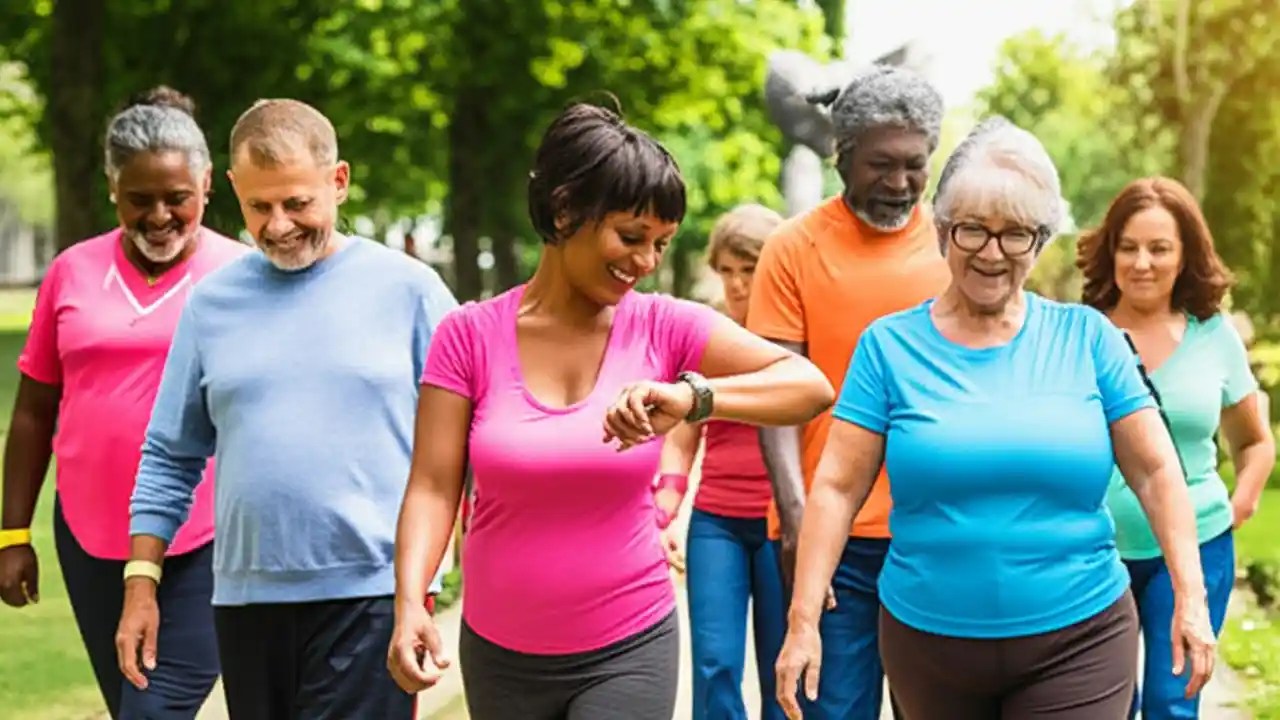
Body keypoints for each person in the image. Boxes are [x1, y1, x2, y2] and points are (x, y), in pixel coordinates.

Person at [385, 102, 834, 720]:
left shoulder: (663, 324)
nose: (646, 261)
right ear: (566, 209)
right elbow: (433, 487)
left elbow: (809, 385)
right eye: (631, 236)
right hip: (499, 651)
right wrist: (412, 601)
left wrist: (693, 398)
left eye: (662, 244)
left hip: (629, 645)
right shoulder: (468, 335)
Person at [775, 117, 1217, 720]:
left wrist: (1189, 597)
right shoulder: (888, 348)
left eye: (1016, 235)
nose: (991, 253)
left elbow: (1157, 472)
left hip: (1079, 637)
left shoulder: (1089, 339)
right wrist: (803, 620)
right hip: (928, 644)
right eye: (973, 230)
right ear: (941, 231)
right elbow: (837, 486)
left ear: (1041, 241)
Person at [115, 97, 456, 720]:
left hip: (375, 596)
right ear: (235, 191)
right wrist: (142, 583)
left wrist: (438, 583)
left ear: (339, 182)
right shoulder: (211, 305)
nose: (276, 226)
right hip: (247, 601)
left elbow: (467, 444)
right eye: (258, 207)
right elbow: (169, 454)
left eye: (297, 203)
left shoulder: (411, 292)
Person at [0, 86, 246, 720]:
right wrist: (12, 533)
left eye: (177, 199)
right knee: (128, 704)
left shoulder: (242, 278)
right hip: (89, 536)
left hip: (205, 539)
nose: (159, 215)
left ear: (208, 186)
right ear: (113, 189)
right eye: (140, 200)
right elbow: (33, 410)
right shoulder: (71, 272)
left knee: (151, 709)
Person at [746, 63, 949, 719]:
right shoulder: (792, 248)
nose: (898, 183)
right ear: (843, 158)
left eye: (914, 165)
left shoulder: (957, 246)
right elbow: (777, 391)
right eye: (879, 165)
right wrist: (794, 511)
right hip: (833, 537)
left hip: (938, 532)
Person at [1078, 176, 1275, 719]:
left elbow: (1256, 442)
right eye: (1129, 246)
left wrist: (1239, 507)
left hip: (1193, 549)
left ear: (1185, 255)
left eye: (1159, 248)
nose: (1142, 262)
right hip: (1098, 552)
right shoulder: (1080, 334)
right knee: (1104, 704)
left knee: (1171, 705)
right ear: (1110, 251)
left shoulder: (1213, 336)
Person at [658, 203, 790, 720]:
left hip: (785, 523)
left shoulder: (798, 339)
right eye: (727, 271)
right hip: (717, 523)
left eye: (749, 269)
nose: (737, 285)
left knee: (785, 669)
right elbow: (682, 437)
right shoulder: (708, 337)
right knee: (714, 664)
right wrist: (665, 509)